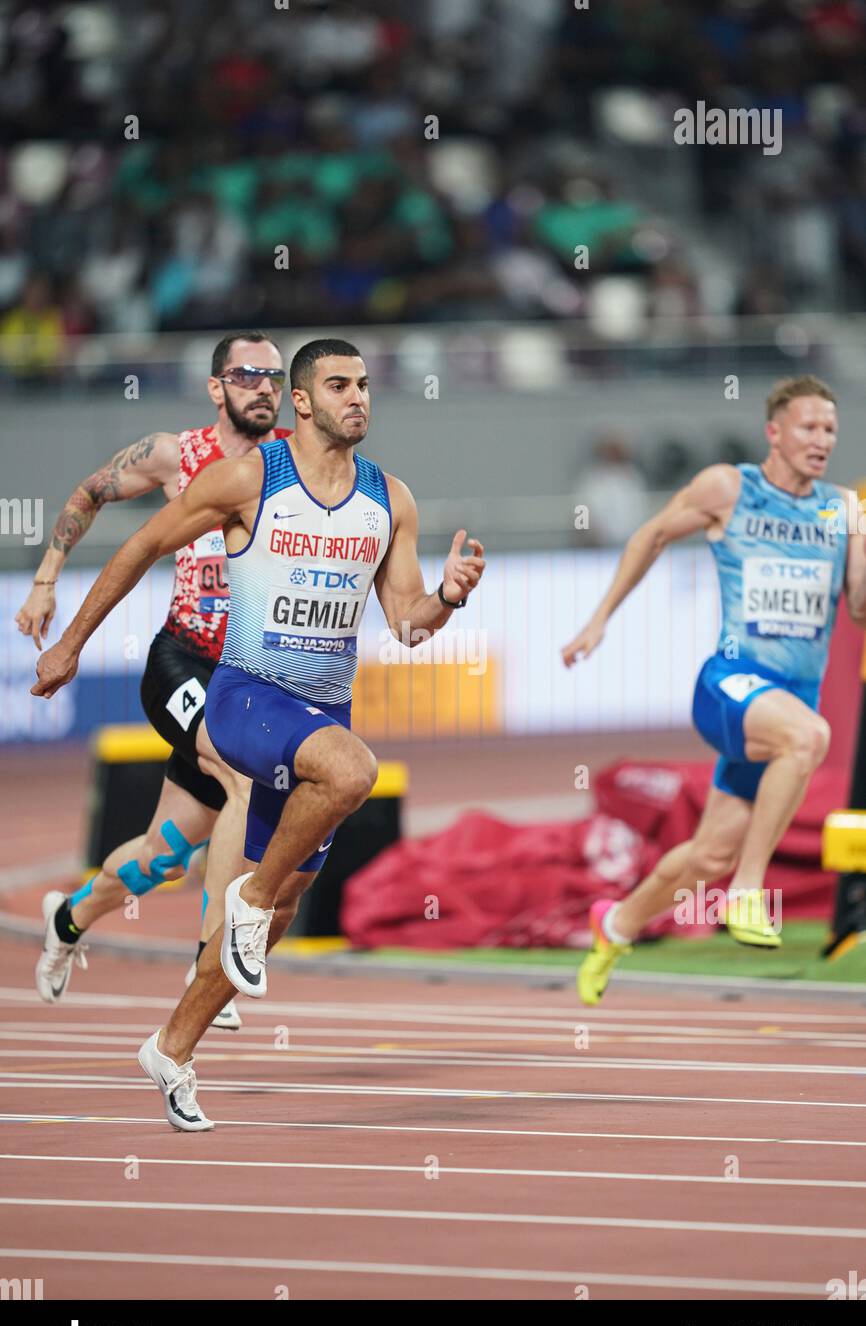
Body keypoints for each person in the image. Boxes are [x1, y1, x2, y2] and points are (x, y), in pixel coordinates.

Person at [32, 338, 485, 1129]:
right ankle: (241, 898)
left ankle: (170, 1045)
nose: (359, 397)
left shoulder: (391, 499)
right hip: (229, 690)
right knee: (348, 775)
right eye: (339, 384)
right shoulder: (238, 475)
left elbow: (408, 623)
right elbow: (141, 543)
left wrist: (447, 596)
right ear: (303, 403)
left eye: (366, 385)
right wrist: (68, 639)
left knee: (205, 877)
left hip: (314, 714)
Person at [562, 375, 866, 1005]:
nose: (822, 439)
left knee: (707, 855)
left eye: (831, 429)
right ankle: (749, 894)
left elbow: (858, 607)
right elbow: (650, 535)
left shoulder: (842, 508)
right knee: (810, 738)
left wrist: (862, 539)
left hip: (783, 706)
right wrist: (599, 619)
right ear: (774, 432)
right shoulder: (730, 487)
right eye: (809, 427)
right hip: (728, 685)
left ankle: (614, 926)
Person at [19, 330, 292, 1028]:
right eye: (247, 374)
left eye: (273, 375)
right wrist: (47, 581)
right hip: (182, 662)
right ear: (216, 387)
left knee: (163, 857)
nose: (264, 385)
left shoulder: (291, 460)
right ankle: (215, 960)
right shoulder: (178, 455)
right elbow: (91, 490)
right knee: (245, 780)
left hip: (247, 674)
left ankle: (68, 919)